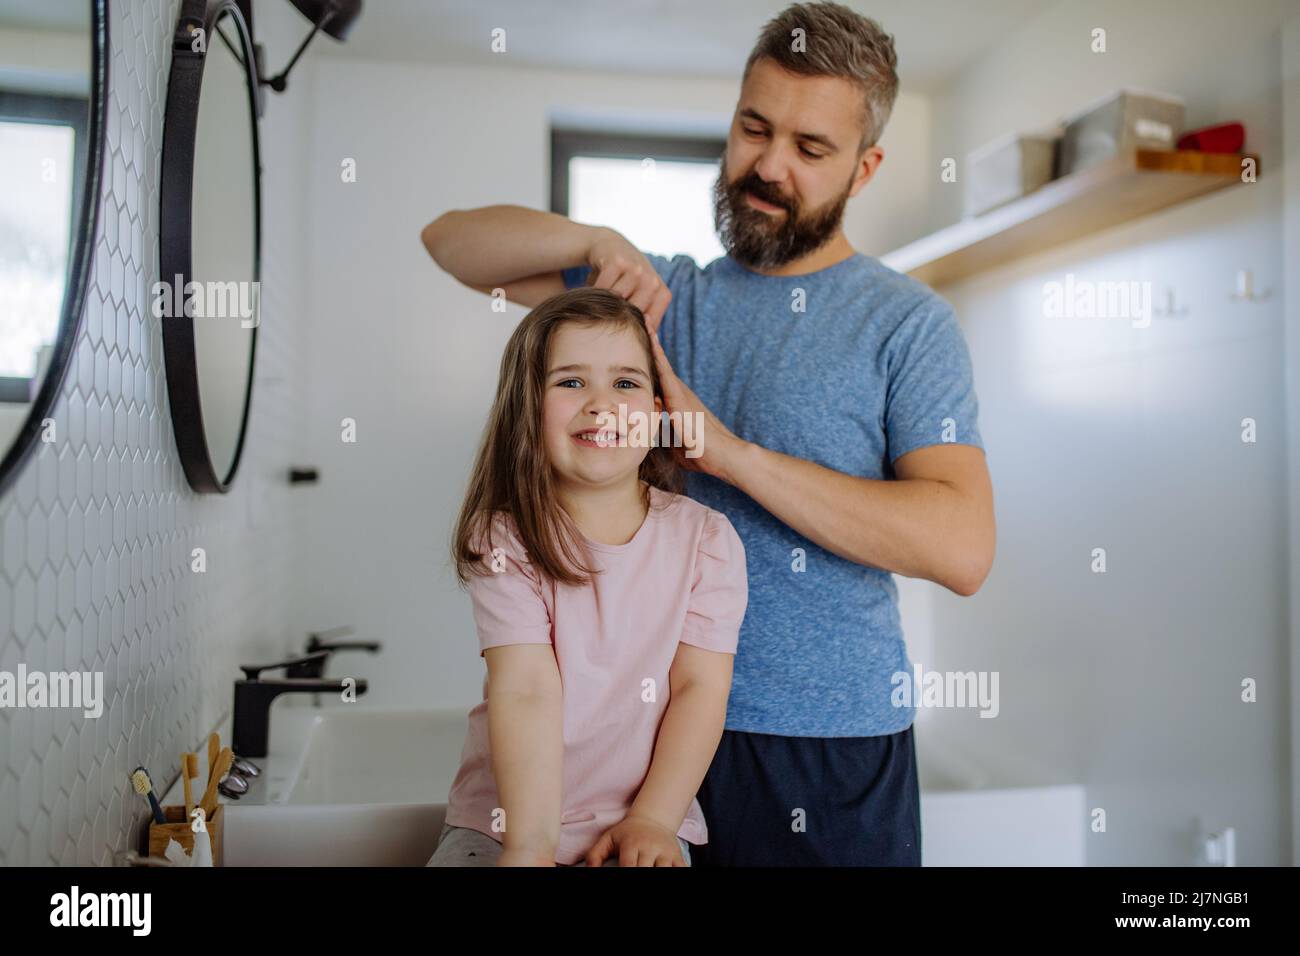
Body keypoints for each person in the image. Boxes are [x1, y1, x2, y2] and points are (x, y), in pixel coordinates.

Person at [422, 1, 995, 866]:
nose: (766, 166)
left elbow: (962, 547)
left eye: (809, 149)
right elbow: (451, 245)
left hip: (823, 744)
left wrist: (727, 453)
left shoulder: (908, 326)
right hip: (643, 741)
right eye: (753, 128)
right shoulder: (657, 298)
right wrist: (590, 235)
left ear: (864, 168)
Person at [427, 288, 749, 867]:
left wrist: (653, 819)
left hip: (645, 817)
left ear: (657, 411)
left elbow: (699, 689)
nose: (601, 406)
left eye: (625, 384)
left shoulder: (706, 540)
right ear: (528, 408)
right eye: (570, 382)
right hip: (503, 823)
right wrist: (528, 848)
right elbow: (525, 688)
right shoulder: (505, 538)